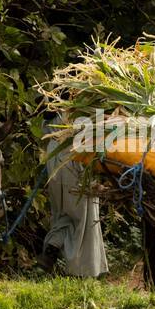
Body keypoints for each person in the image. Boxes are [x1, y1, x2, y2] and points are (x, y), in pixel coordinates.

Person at [38, 112, 108, 278]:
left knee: (63, 212)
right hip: (74, 156)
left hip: (55, 155)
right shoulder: (80, 104)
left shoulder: (54, 104)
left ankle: (51, 251)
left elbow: (46, 125)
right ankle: (82, 270)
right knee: (82, 216)